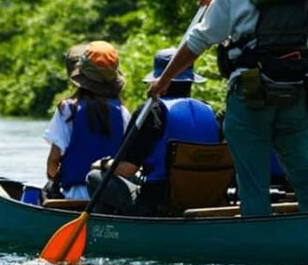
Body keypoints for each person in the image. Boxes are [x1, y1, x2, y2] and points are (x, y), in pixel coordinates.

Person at [147, 0, 308, 217]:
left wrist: (163, 80)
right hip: (298, 89)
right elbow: (263, 1)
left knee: (253, 183)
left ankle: (259, 252)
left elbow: (198, 42)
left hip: (251, 95)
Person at [86, 48, 220, 215]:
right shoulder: (209, 111)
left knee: (95, 177)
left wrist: (103, 164)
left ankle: (110, 231)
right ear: (190, 81)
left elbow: (127, 169)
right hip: (207, 199)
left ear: (162, 82)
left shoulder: (151, 112)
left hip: (159, 203)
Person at [43, 41, 131, 199]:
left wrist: (54, 179)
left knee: (46, 191)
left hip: (74, 194)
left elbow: (53, 161)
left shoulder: (67, 110)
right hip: (109, 197)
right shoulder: (123, 113)